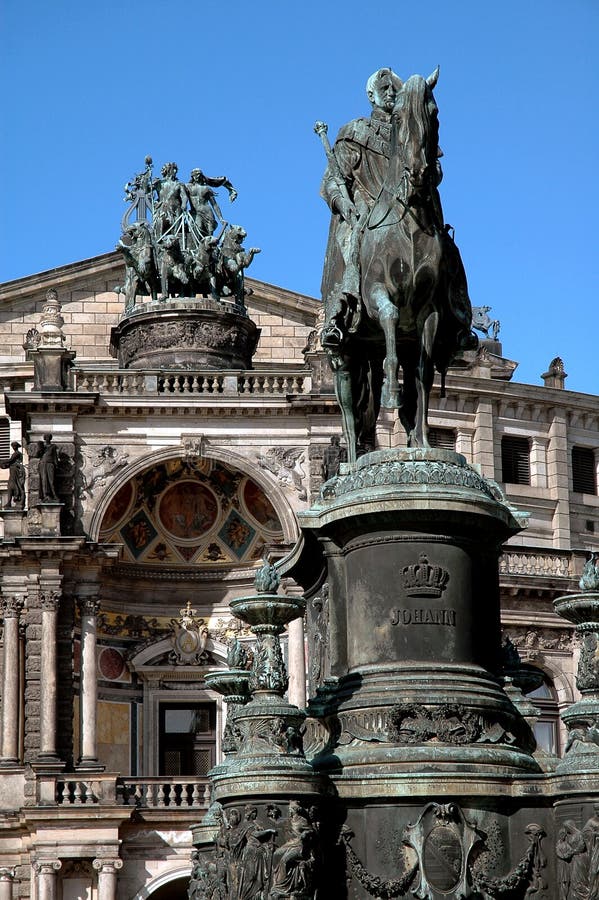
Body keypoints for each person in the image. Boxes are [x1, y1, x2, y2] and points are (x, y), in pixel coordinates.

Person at [319, 67, 474, 355]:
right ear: (371, 95)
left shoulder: (411, 128)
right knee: (353, 245)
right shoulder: (355, 132)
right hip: (365, 210)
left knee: (448, 249)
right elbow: (332, 180)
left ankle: (460, 316)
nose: (390, 93)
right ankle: (339, 313)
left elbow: (435, 169)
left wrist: (428, 172)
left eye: (394, 89)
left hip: (410, 207)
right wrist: (346, 203)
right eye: (384, 89)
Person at [186, 168, 237, 238]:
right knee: (198, 227)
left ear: (201, 176)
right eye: (194, 175)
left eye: (198, 175)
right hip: (195, 212)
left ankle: (210, 247)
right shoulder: (188, 187)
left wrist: (221, 218)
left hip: (207, 212)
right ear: (192, 177)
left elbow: (214, 204)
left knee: (210, 235)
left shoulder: (207, 189)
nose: (196, 177)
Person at [153, 162, 188, 238]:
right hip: (163, 209)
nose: (175, 171)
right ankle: (158, 240)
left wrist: (184, 204)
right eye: (173, 169)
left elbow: (184, 196)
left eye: (175, 170)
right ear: (167, 170)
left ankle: (176, 239)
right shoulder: (159, 183)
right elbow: (147, 190)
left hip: (176, 209)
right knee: (160, 222)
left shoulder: (179, 184)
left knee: (176, 228)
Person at [0, 441, 26, 509]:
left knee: (12, 484)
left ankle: (11, 501)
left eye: (14, 446)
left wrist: (2, 461)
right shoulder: (15, 453)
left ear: (17, 446)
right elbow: (10, 463)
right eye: (13, 446)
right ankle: (9, 502)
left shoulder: (17, 453)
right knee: (10, 485)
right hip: (13, 470)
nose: (13, 447)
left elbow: (11, 460)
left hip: (16, 471)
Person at [38, 434, 59, 502]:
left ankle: (54, 495)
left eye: (49, 437)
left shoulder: (53, 446)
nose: (47, 438)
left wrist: (56, 465)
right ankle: (45, 496)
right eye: (46, 437)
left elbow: (55, 457)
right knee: (44, 481)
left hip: (50, 464)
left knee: (51, 480)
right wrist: (40, 449)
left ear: (50, 438)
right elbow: (37, 455)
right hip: (43, 464)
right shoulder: (42, 447)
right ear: (44, 438)